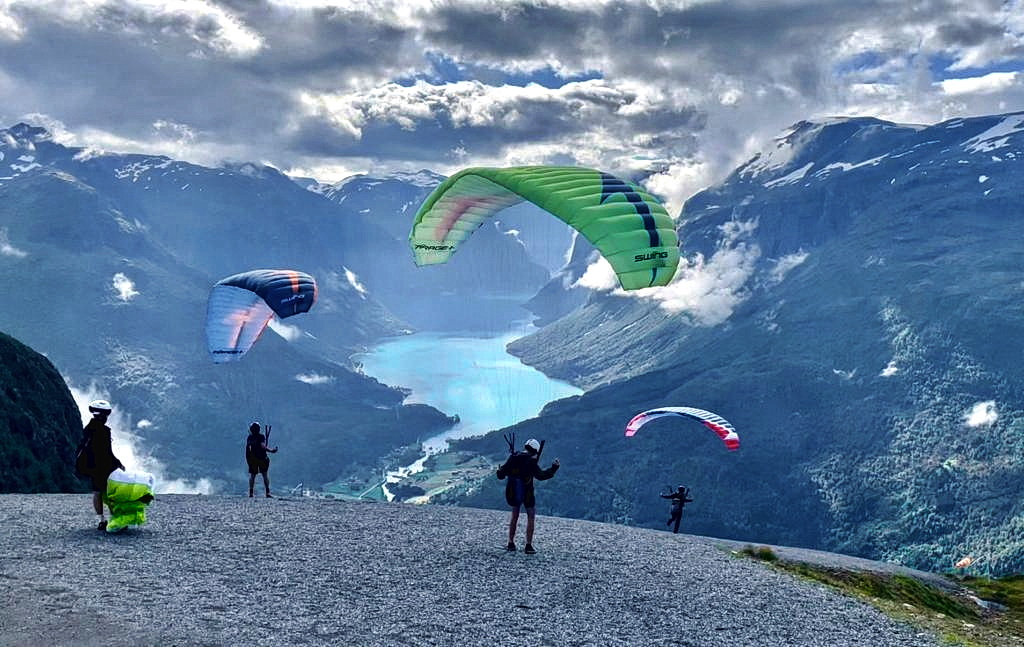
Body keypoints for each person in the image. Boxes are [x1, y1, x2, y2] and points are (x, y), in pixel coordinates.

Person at [496, 438, 559, 554]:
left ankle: (511, 542)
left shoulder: (514, 457)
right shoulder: (531, 461)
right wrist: (553, 469)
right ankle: (528, 545)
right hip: (528, 493)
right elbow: (541, 475)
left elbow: (501, 474)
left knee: (514, 516)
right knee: (531, 516)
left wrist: (499, 471)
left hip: (514, 491)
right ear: (535, 450)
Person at [75, 399, 125, 530]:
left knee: (97, 493)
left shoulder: (88, 428)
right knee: (111, 493)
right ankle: (116, 521)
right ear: (104, 415)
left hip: (91, 467)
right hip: (103, 467)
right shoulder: (103, 431)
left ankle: (101, 520)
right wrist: (118, 463)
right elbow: (106, 452)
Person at [245, 421, 278, 498]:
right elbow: (263, 446)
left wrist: (249, 460)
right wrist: (271, 450)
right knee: (265, 475)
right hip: (262, 458)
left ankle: (251, 493)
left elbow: (248, 449)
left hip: (253, 459)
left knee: (252, 476)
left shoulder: (250, 437)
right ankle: (267, 492)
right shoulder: (261, 437)